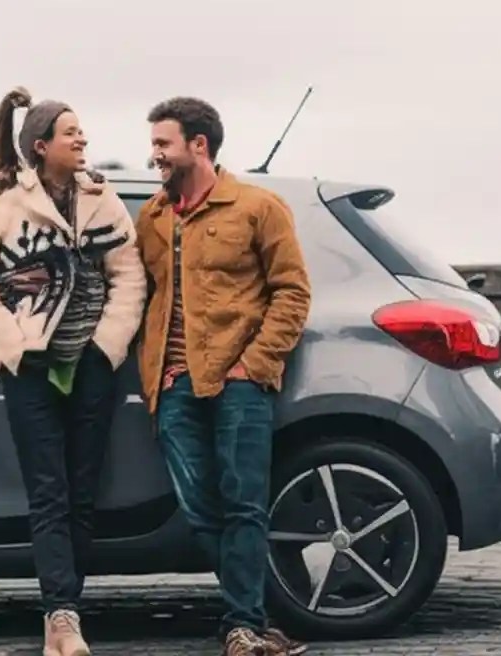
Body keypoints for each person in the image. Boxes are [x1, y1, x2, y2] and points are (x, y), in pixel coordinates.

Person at [0, 87, 147, 656]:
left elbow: (128, 276)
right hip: (30, 366)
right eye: (70, 132)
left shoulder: (101, 198)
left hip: (92, 365)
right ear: (41, 147)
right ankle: (61, 616)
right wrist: (16, 345)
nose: (82, 138)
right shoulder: (0, 199)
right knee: (49, 491)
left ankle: (66, 614)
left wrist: (107, 346)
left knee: (83, 491)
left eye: (82, 131)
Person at [134, 97, 312, 656]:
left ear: (199, 145)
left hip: (239, 382)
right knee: (200, 508)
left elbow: (293, 292)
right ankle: (258, 616)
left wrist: (252, 365)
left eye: (163, 144)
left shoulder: (258, 206)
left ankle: (243, 626)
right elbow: (139, 296)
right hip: (174, 385)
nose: (154, 154)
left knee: (244, 503)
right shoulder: (153, 218)